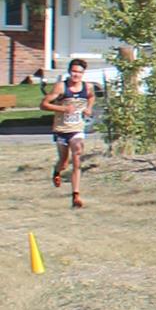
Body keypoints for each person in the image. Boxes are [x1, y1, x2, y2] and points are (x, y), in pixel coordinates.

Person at [41, 58, 95, 208]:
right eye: (74, 72)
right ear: (69, 72)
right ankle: (56, 171)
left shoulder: (87, 87)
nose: (76, 75)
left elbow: (91, 97)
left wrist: (89, 108)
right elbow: (44, 105)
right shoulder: (61, 87)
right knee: (64, 162)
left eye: (79, 72)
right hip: (61, 129)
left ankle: (76, 195)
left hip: (77, 129)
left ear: (83, 73)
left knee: (77, 157)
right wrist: (64, 109)